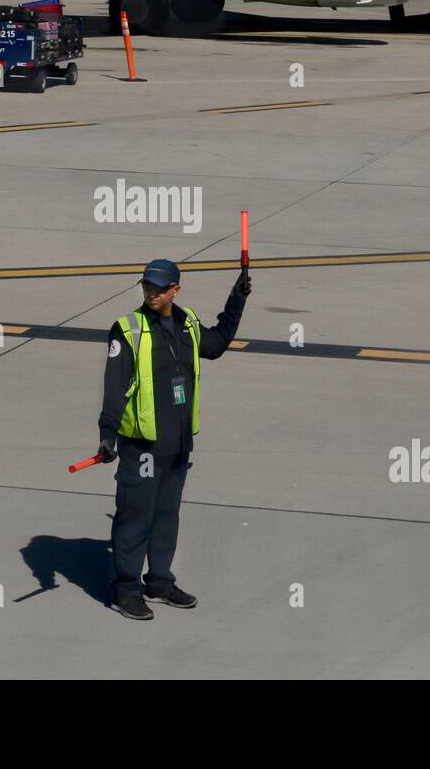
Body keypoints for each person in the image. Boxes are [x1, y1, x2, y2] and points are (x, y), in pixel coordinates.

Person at [97, 258, 250, 620]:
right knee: (135, 518)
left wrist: (236, 300)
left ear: (175, 291)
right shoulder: (128, 330)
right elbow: (115, 388)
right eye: (147, 286)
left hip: (178, 443)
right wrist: (107, 436)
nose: (151, 292)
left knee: (166, 516)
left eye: (159, 287)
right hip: (143, 446)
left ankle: (161, 582)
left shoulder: (187, 324)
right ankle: (126, 590)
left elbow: (216, 344)